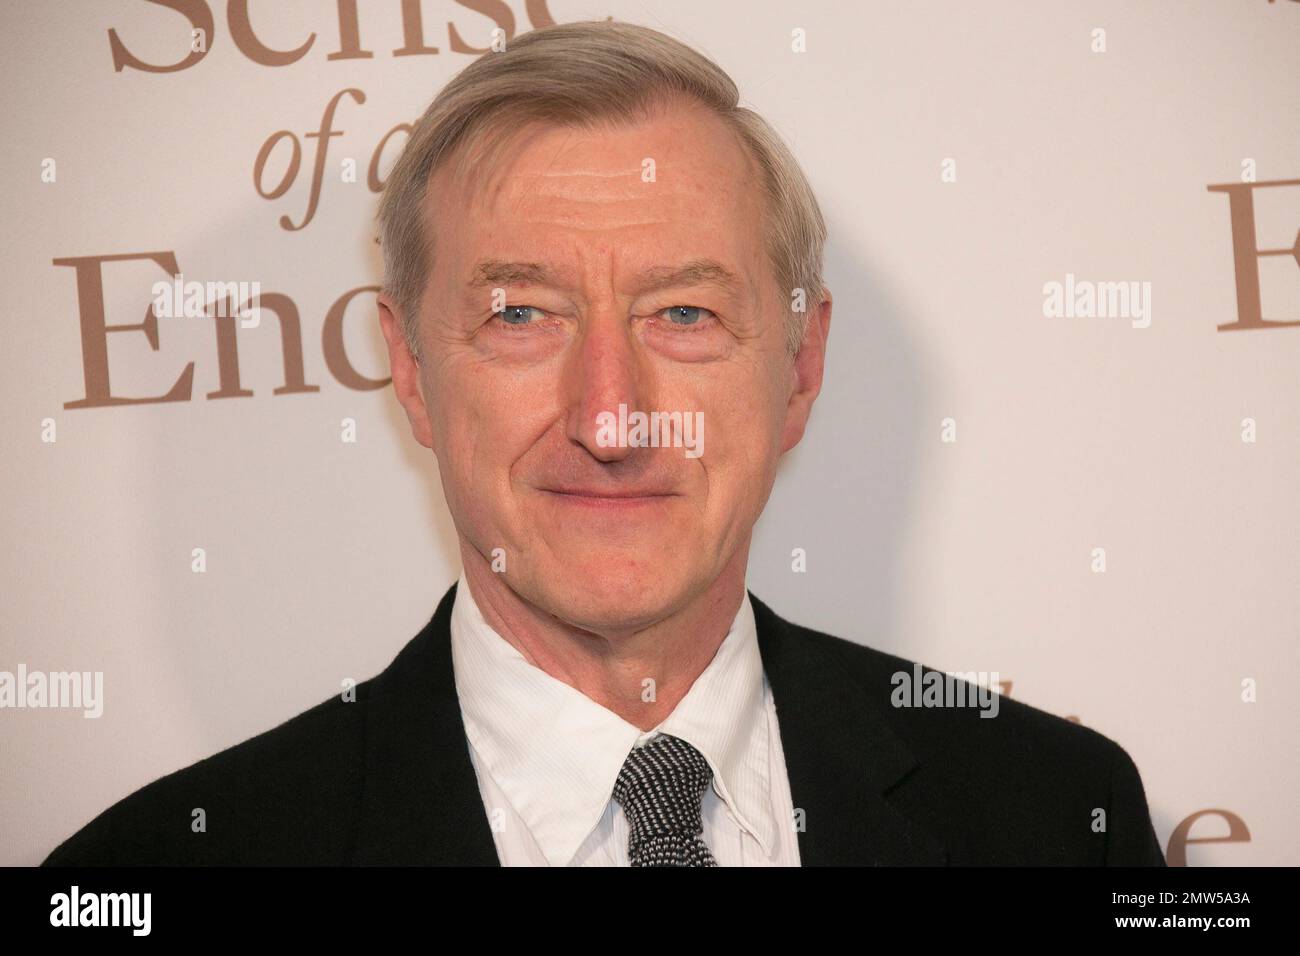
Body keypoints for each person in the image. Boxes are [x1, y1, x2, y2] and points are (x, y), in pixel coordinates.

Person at [43, 19, 1165, 867]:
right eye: (521, 314)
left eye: (684, 313)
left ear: (800, 368)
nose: (612, 418)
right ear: (413, 371)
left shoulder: (1054, 813)